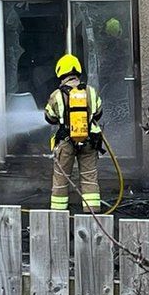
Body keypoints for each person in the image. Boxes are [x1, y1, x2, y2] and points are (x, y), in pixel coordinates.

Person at [45, 54, 104, 212]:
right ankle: (92, 214)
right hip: (90, 141)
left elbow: (49, 117)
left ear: (60, 72)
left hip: (66, 143)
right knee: (89, 177)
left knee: (61, 178)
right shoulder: (90, 92)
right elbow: (98, 113)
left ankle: (58, 214)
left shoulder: (57, 95)